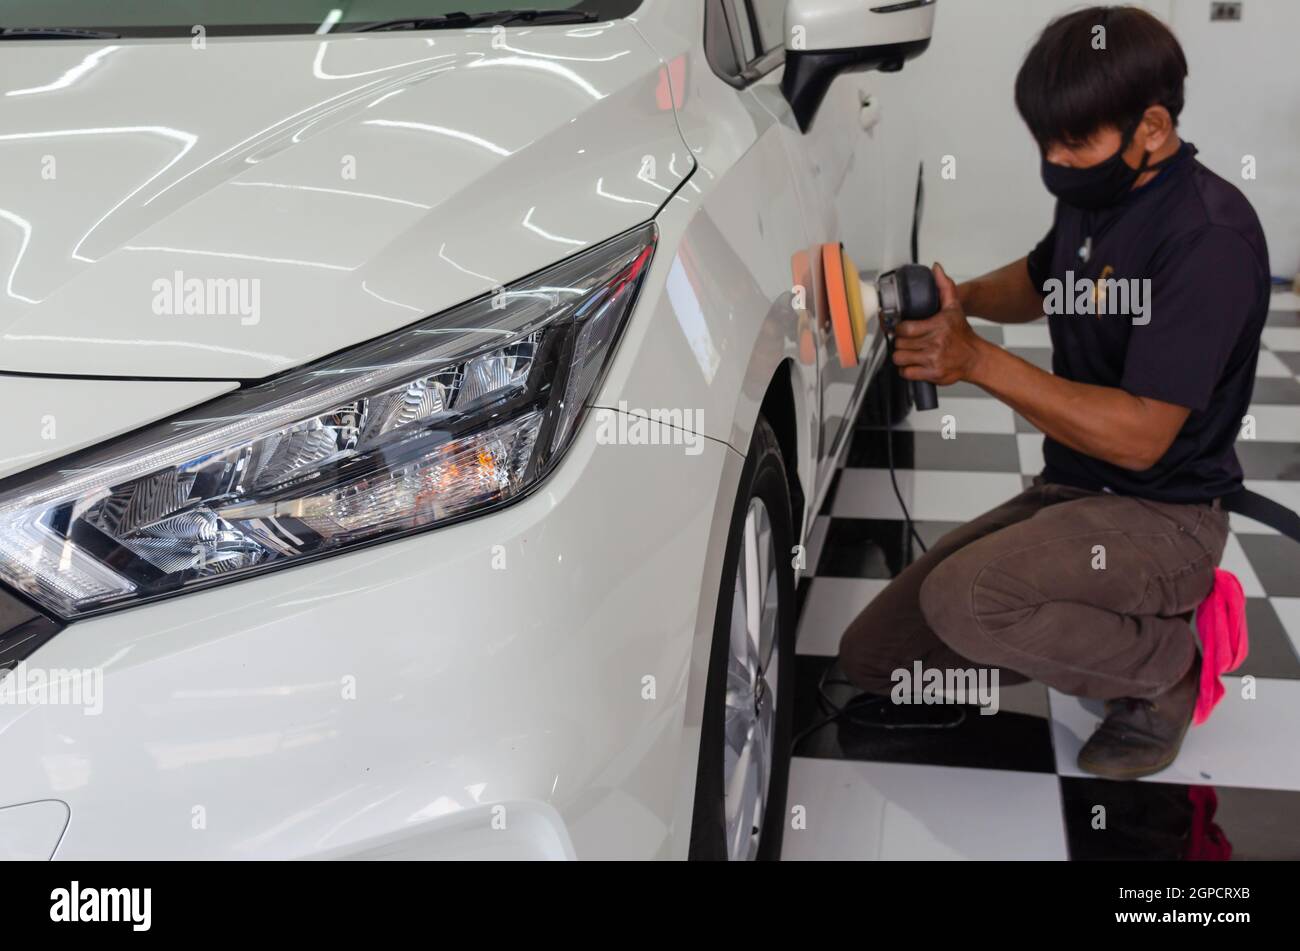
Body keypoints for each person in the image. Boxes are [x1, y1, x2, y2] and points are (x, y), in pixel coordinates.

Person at [837, 5, 1270, 779]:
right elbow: (1043, 281)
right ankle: (1096, 626)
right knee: (877, 658)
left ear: (1154, 126)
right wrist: (958, 297)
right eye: (1045, 140)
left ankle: (1168, 663)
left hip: (1165, 514)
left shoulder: (1208, 239)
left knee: (970, 600)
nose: (1056, 160)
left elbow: (1142, 435)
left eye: (1075, 142)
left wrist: (976, 361)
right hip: (1074, 488)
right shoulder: (1096, 193)